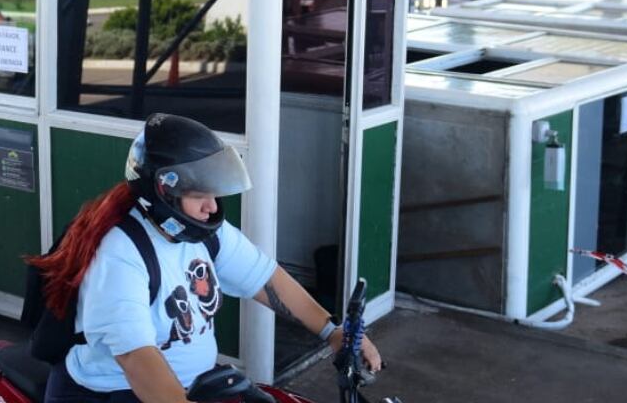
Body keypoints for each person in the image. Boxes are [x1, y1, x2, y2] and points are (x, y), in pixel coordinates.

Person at [36, 113, 382, 402]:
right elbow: (136, 357)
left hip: (195, 385)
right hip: (116, 391)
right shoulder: (120, 253)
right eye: (199, 195)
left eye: (213, 194)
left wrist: (333, 332)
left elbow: (265, 279)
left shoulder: (203, 233)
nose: (212, 207)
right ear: (163, 193)